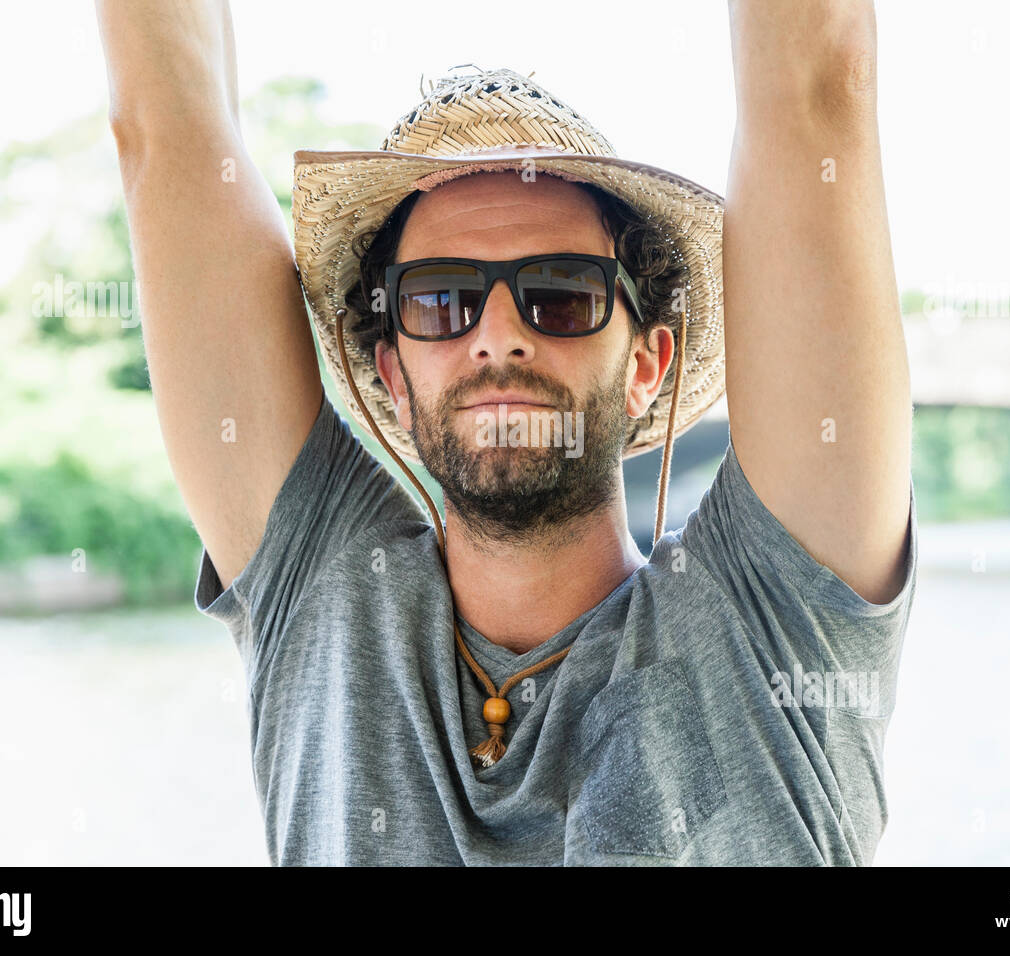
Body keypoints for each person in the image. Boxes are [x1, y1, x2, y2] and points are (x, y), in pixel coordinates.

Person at [96, 0, 917, 865]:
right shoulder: (327, 595)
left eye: (560, 293)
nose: (496, 334)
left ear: (647, 366)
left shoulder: (773, 624)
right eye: (440, 300)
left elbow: (817, 92)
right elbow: (162, 130)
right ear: (393, 380)